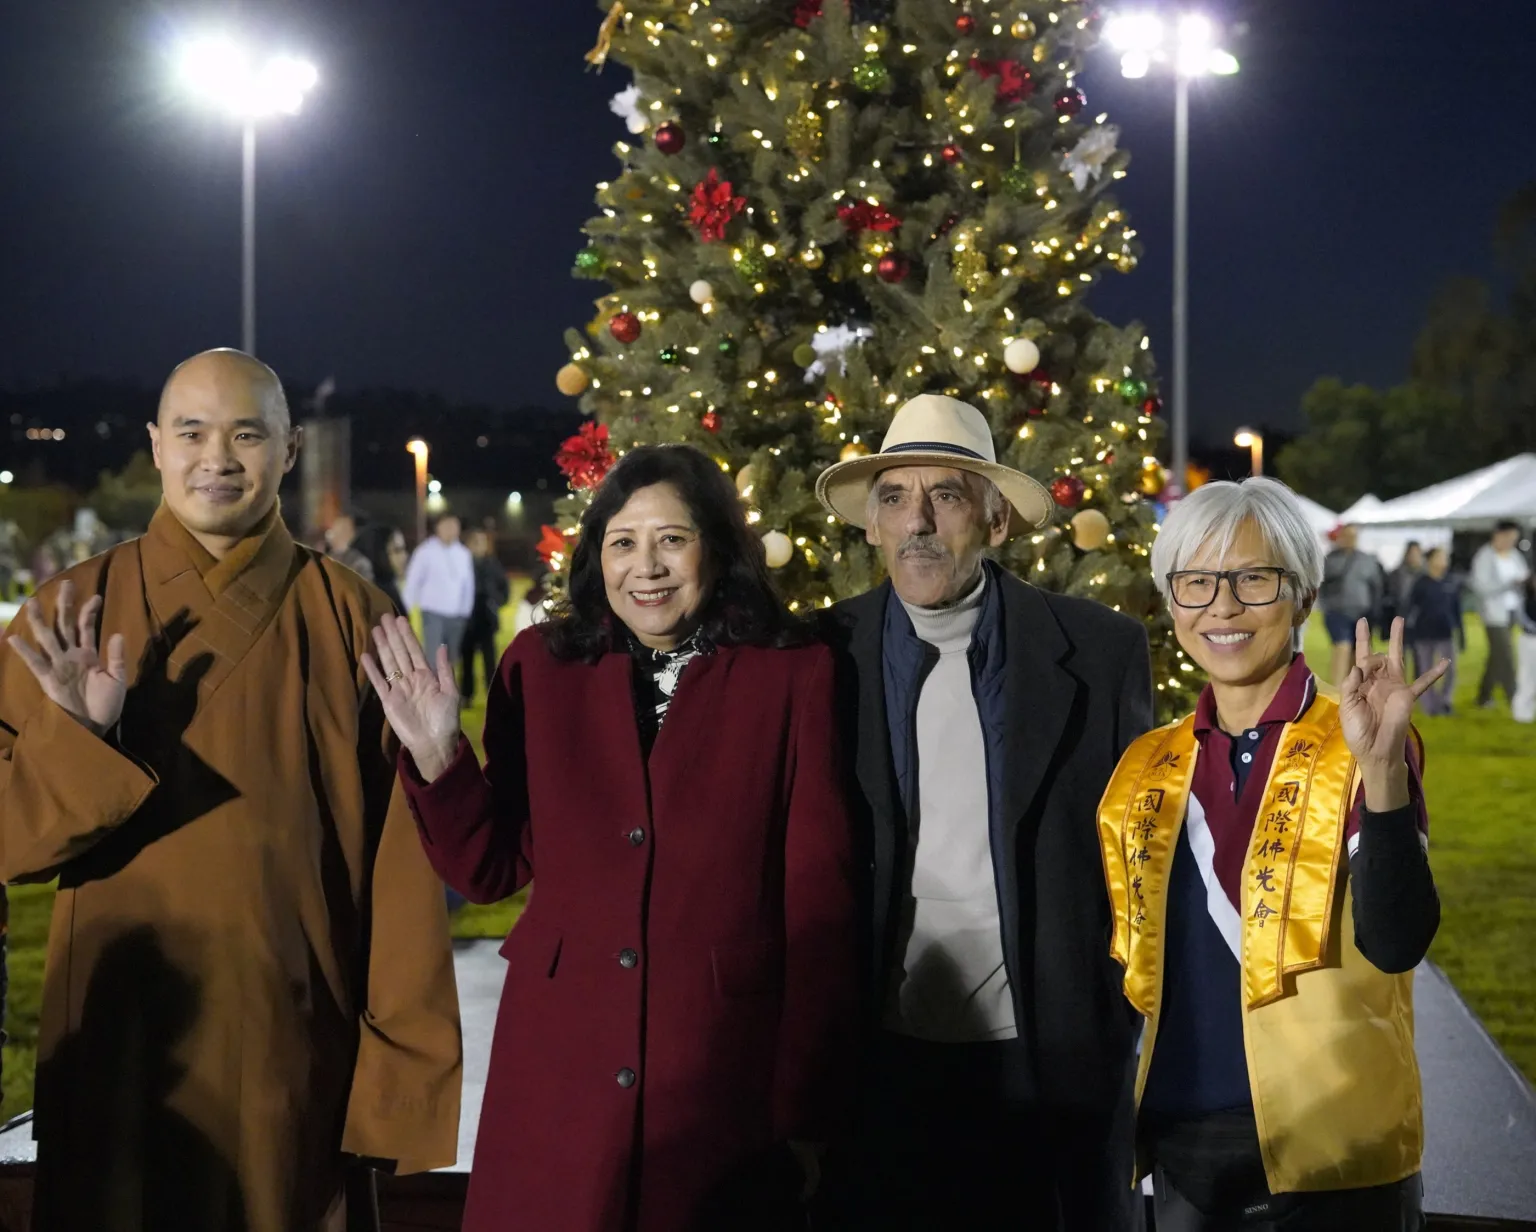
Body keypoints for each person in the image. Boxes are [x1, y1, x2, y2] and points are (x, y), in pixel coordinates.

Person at [0, 349, 462, 1232]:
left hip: (297, 1040)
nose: (218, 456)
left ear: (289, 451)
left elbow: (404, 874)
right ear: (156, 447)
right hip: (116, 1041)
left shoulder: (353, 617)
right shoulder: (71, 612)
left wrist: (396, 1079)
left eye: (247, 433)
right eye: (193, 432)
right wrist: (78, 739)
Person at [366, 444, 856, 1231]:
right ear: (597, 557)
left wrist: (802, 1105)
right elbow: (490, 869)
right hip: (559, 1061)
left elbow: (816, 902)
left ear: (716, 547)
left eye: (673, 539)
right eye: (623, 542)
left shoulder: (790, 675)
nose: (646, 567)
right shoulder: (542, 668)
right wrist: (438, 757)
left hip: (715, 1067)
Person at [811, 395, 1154, 1231]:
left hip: (1047, 1067)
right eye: (894, 498)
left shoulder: (1101, 652)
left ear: (997, 521)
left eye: (948, 497)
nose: (917, 522)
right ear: (870, 527)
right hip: (878, 1068)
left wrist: (1112, 1033)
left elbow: (1139, 864)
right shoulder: (818, 657)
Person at [1099, 477, 1443, 1231]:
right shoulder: (1144, 766)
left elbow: (1397, 941)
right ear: (1169, 600)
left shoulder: (1353, 745)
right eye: (1195, 583)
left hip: (1331, 1152)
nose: (1221, 607)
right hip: (1183, 1154)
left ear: (1305, 594)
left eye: (1253, 579)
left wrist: (1383, 771)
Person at [1469, 520, 1530, 710]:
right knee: (1506, 655)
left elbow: (1524, 576)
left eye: (1515, 539)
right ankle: (1516, 698)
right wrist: (1508, 584)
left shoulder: (1514, 556)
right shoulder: (1484, 557)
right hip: (1494, 615)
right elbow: (1481, 587)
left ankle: (1483, 696)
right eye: (1510, 538)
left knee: (1497, 656)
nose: (1512, 542)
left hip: (1513, 612)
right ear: (1498, 535)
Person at [402, 514, 475, 665]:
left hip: (457, 615)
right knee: (434, 657)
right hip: (432, 613)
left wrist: (465, 611)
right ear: (438, 528)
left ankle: (449, 689)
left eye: (454, 526)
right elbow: (413, 581)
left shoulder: (463, 553)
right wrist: (405, 609)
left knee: (452, 659)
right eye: (447, 526)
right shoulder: (425, 551)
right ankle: (433, 688)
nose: (451, 530)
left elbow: (468, 585)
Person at [1320, 523, 1384, 686]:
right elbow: (1320, 585)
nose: (1350, 540)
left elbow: (1376, 587)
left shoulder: (1367, 560)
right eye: (1347, 536)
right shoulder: (1330, 560)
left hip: (1362, 613)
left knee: (1357, 655)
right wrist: (1327, 606)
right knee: (1342, 648)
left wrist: (1375, 612)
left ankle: (1350, 691)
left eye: (1353, 536)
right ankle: (1336, 693)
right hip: (1337, 612)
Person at [1405, 546, 1463, 716]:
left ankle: (1446, 702)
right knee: (1426, 672)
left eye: (1445, 557)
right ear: (1429, 560)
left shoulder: (1450, 582)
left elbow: (1456, 609)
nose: (1444, 561)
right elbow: (1410, 609)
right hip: (1424, 634)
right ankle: (1430, 707)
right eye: (1440, 557)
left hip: (1445, 633)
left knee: (1450, 670)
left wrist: (1461, 633)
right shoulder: (1420, 583)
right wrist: (1408, 633)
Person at [459, 528, 509, 698]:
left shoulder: (492, 564)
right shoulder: (461, 563)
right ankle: (467, 695)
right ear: (468, 545)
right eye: (476, 542)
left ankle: (492, 693)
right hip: (467, 620)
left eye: (483, 542)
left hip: (487, 619)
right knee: (467, 661)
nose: (480, 545)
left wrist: (496, 601)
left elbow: (504, 588)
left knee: (490, 661)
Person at [354, 523, 409, 614]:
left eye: (404, 550)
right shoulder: (375, 601)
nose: (404, 556)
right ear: (379, 554)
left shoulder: (391, 592)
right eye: (397, 550)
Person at [1513, 572, 1536, 724]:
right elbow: (1522, 619)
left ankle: (1528, 711)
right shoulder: (1525, 600)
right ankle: (1521, 712)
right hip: (1529, 640)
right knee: (1527, 676)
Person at [324, 512, 375, 582]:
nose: (336, 532)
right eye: (335, 528)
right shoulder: (324, 559)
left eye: (343, 529)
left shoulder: (360, 562)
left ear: (352, 534)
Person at [1384, 540, 1423, 630]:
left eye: (1416, 554)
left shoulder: (1426, 575)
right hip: (1401, 618)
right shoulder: (1396, 574)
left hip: (1422, 620)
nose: (1414, 557)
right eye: (1411, 554)